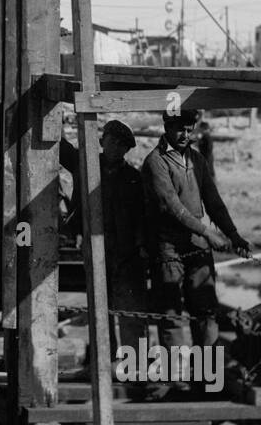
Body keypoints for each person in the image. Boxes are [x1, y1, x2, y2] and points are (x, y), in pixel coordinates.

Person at [142, 109, 250, 385]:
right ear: (166, 126)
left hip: (197, 246)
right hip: (168, 248)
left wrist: (233, 235)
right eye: (180, 129)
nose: (185, 135)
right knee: (172, 314)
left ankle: (208, 376)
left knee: (206, 311)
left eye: (190, 130)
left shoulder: (196, 158)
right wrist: (207, 232)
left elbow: (213, 202)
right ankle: (177, 379)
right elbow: (171, 206)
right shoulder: (155, 162)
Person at [99, 120, 149, 360]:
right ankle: (103, 360)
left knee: (131, 311)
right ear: (102, 141)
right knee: (100, 311)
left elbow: (142, 216)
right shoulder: (87, 168)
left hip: (127, 254)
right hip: (98, 250)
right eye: (112, 142)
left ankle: (135, 363)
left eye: (122, 146)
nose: (116, 148)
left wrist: (140, 248)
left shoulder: (132, 177)